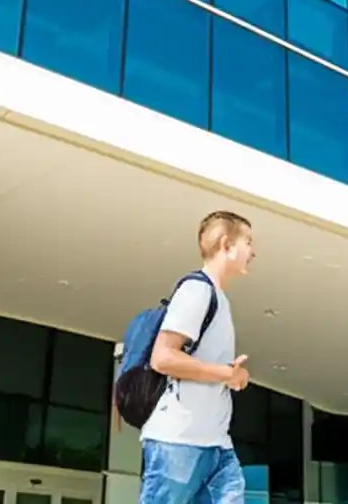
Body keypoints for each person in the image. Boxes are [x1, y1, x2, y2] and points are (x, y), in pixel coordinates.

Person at [139, 211, 257, 504]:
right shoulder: (197, 290)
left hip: (215, 443)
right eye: (249, 242)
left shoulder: (219, 297)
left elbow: (211, 368)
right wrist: (224, 374)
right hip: (178, 442)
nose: (253, 251)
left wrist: (234, 377)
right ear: (227, 245)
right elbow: (163, 358)